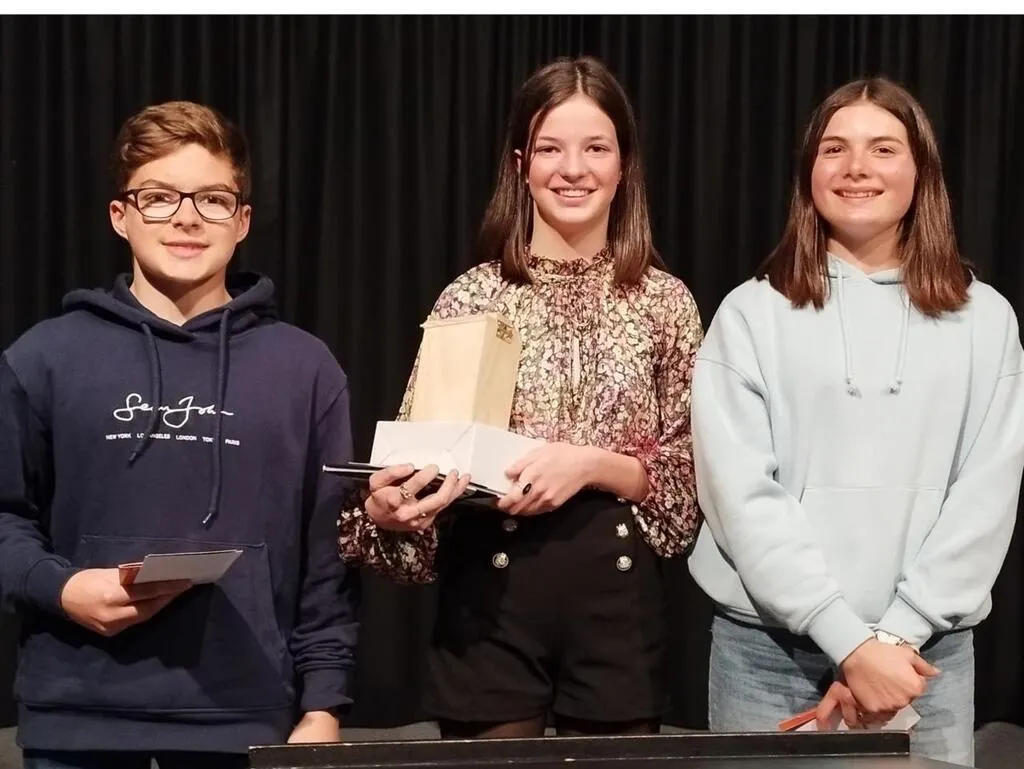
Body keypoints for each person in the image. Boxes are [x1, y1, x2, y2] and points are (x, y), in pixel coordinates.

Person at [338, 56, 702, 739]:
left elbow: (684, 495)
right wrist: (392, 507)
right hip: (489, 600)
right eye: (550, 148)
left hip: (615, 604)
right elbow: (421, 468)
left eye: (596, 147)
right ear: (520, 164)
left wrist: (588, 464)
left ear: (623, 165)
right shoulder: (473, 295)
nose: (573, 168)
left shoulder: (664, 302)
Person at [0, 101, 360, 768]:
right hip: (79, 724)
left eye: (213, 198)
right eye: (160, 197)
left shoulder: (305, 369)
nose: (187, 217)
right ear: (121, 215)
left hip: (247, 725)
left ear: (242, 220)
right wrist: (60, 586)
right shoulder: (43, 358)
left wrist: (322, 706)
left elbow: (327, 559)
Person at [688, 76, 1024, 766]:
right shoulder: (751, 314)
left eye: (882, 148)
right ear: (808, 170)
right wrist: (847, 638)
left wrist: (892, 643)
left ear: (920, 170)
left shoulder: (985, 317)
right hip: (768, 656)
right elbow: (741, 497)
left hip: (924, 659)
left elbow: (986, 493)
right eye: (834, 149)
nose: (856, 168)